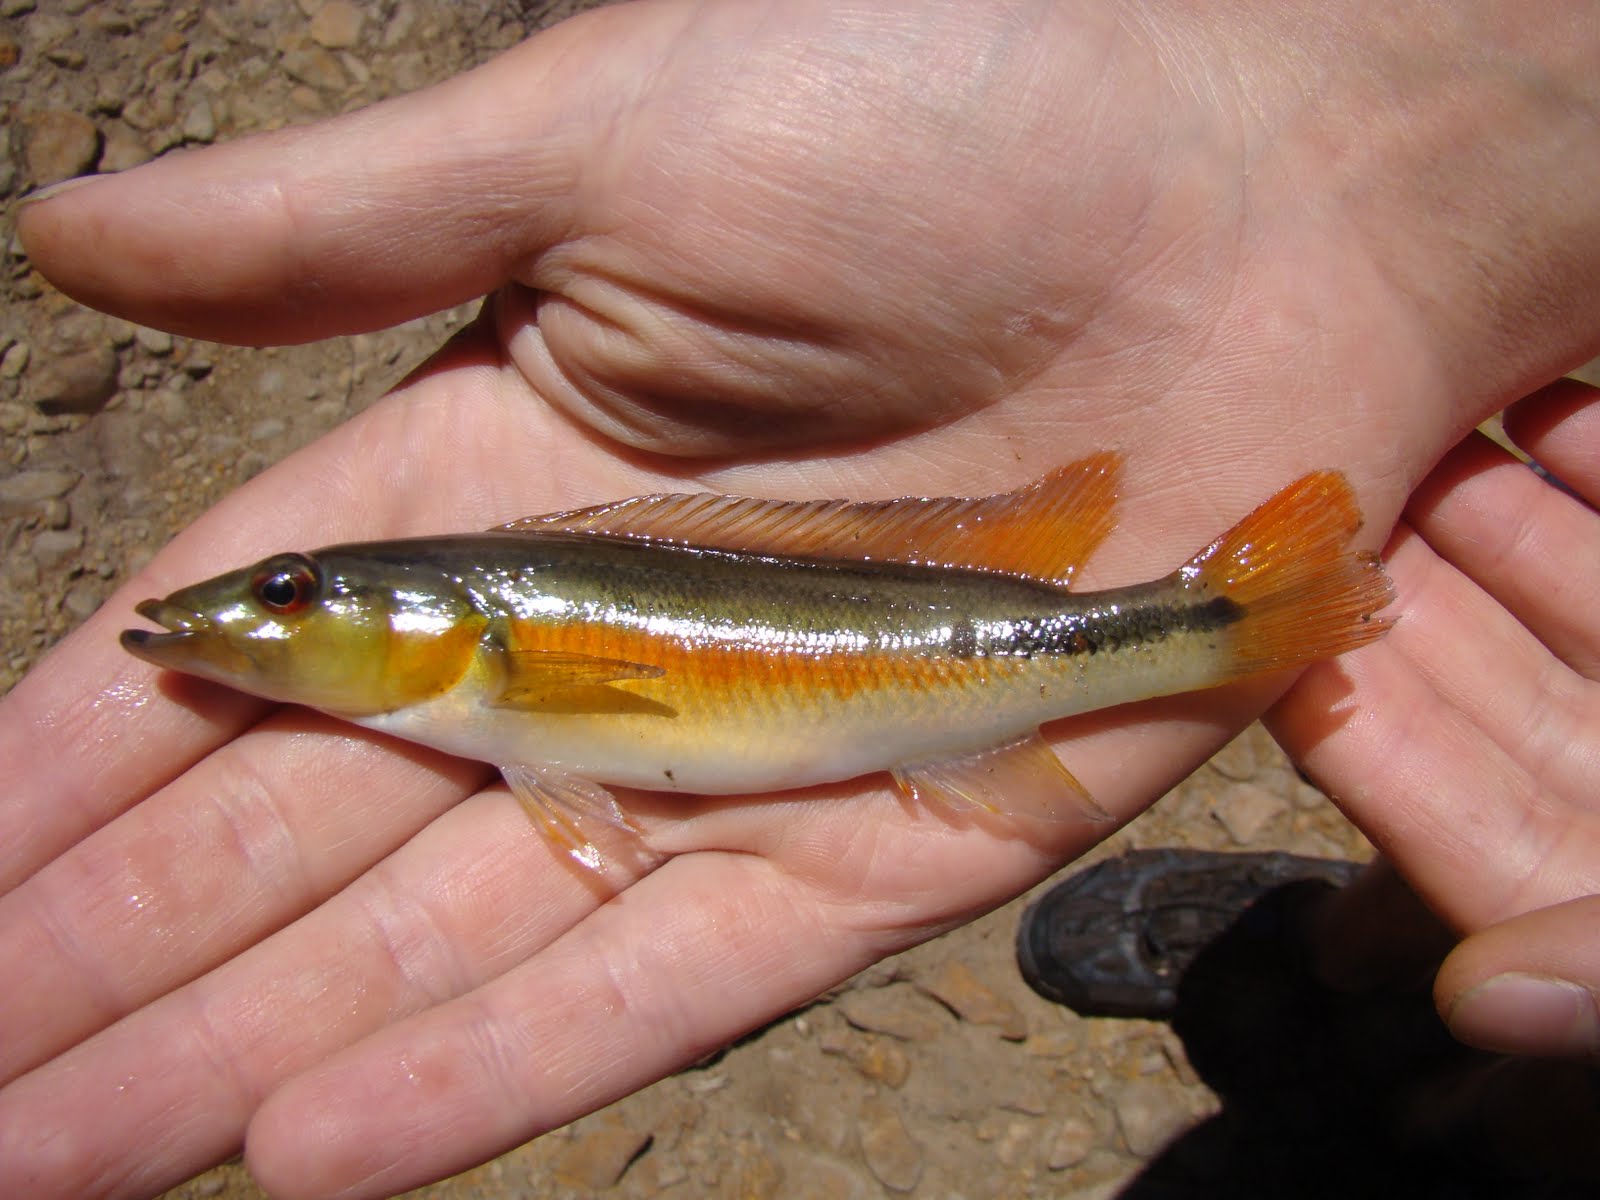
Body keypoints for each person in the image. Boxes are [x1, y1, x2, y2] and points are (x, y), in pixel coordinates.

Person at [2, 2, 1597, 1196]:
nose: (261, 614)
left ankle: (1250, 716)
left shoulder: (499, 653)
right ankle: (1356, 993)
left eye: (293, 592)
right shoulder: (475, 666)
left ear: (436, 621)